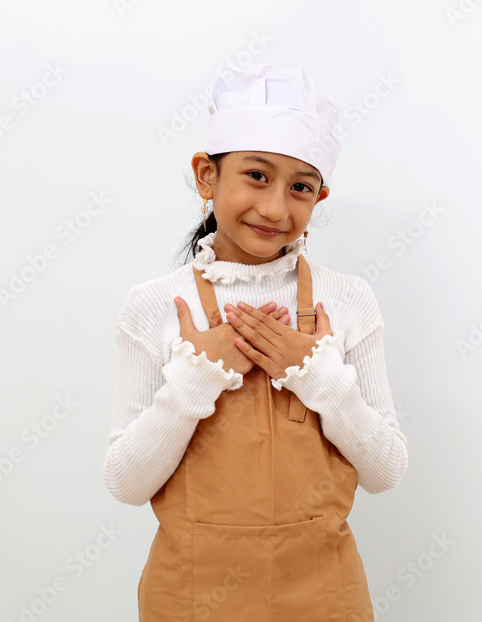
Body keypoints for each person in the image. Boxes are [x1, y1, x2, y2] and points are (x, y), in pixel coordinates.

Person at [103, 63, 408, 620]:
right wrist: (196, 376)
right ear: (206, 175)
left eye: (300, 187)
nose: (274, 208)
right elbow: (126, 482)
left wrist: (318, 375)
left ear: (320, 197)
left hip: (322, 597)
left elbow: (386, 471)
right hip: (192, 598)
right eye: (257, 176)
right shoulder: (152, 306)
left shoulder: (348, 301)